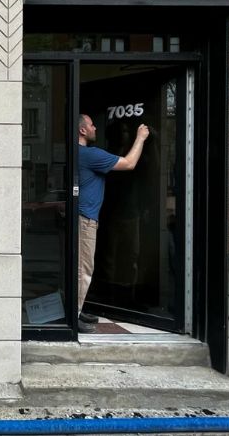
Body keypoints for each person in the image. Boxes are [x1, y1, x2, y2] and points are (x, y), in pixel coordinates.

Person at [76, 113, 149, 334]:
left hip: (83, 219)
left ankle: (76, 310)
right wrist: (141, 138)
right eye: (91, 124)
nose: (95, 127)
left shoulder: (78, 153)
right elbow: (129, 163)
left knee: (81, 267)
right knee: (83, 269)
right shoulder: (90, 155)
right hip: (85, 221)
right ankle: (74, 315)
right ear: (82, 130)